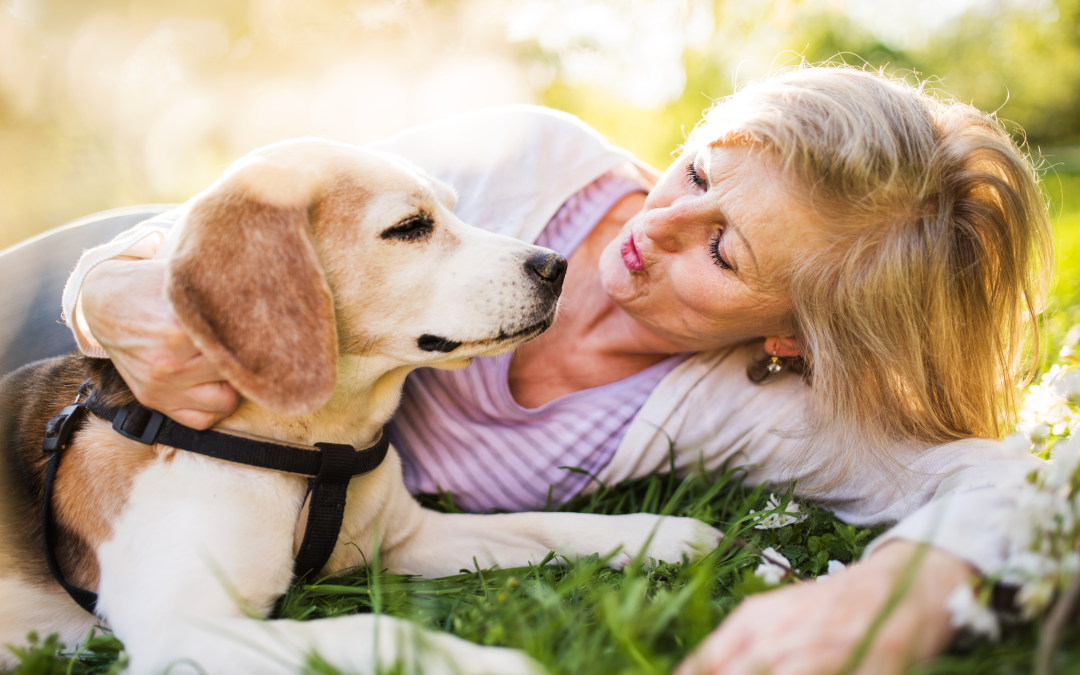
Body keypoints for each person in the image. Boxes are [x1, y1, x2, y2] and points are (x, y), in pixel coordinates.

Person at [61, 65, 1049, 674]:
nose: (656, 227)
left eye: (723, 251)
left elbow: (1027, 476)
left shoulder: (753, 405)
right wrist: (104, 296)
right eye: (698, 170)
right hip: (81, 327)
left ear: (788, 336)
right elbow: (256, 211)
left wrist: (924, 583)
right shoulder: (521, 164)